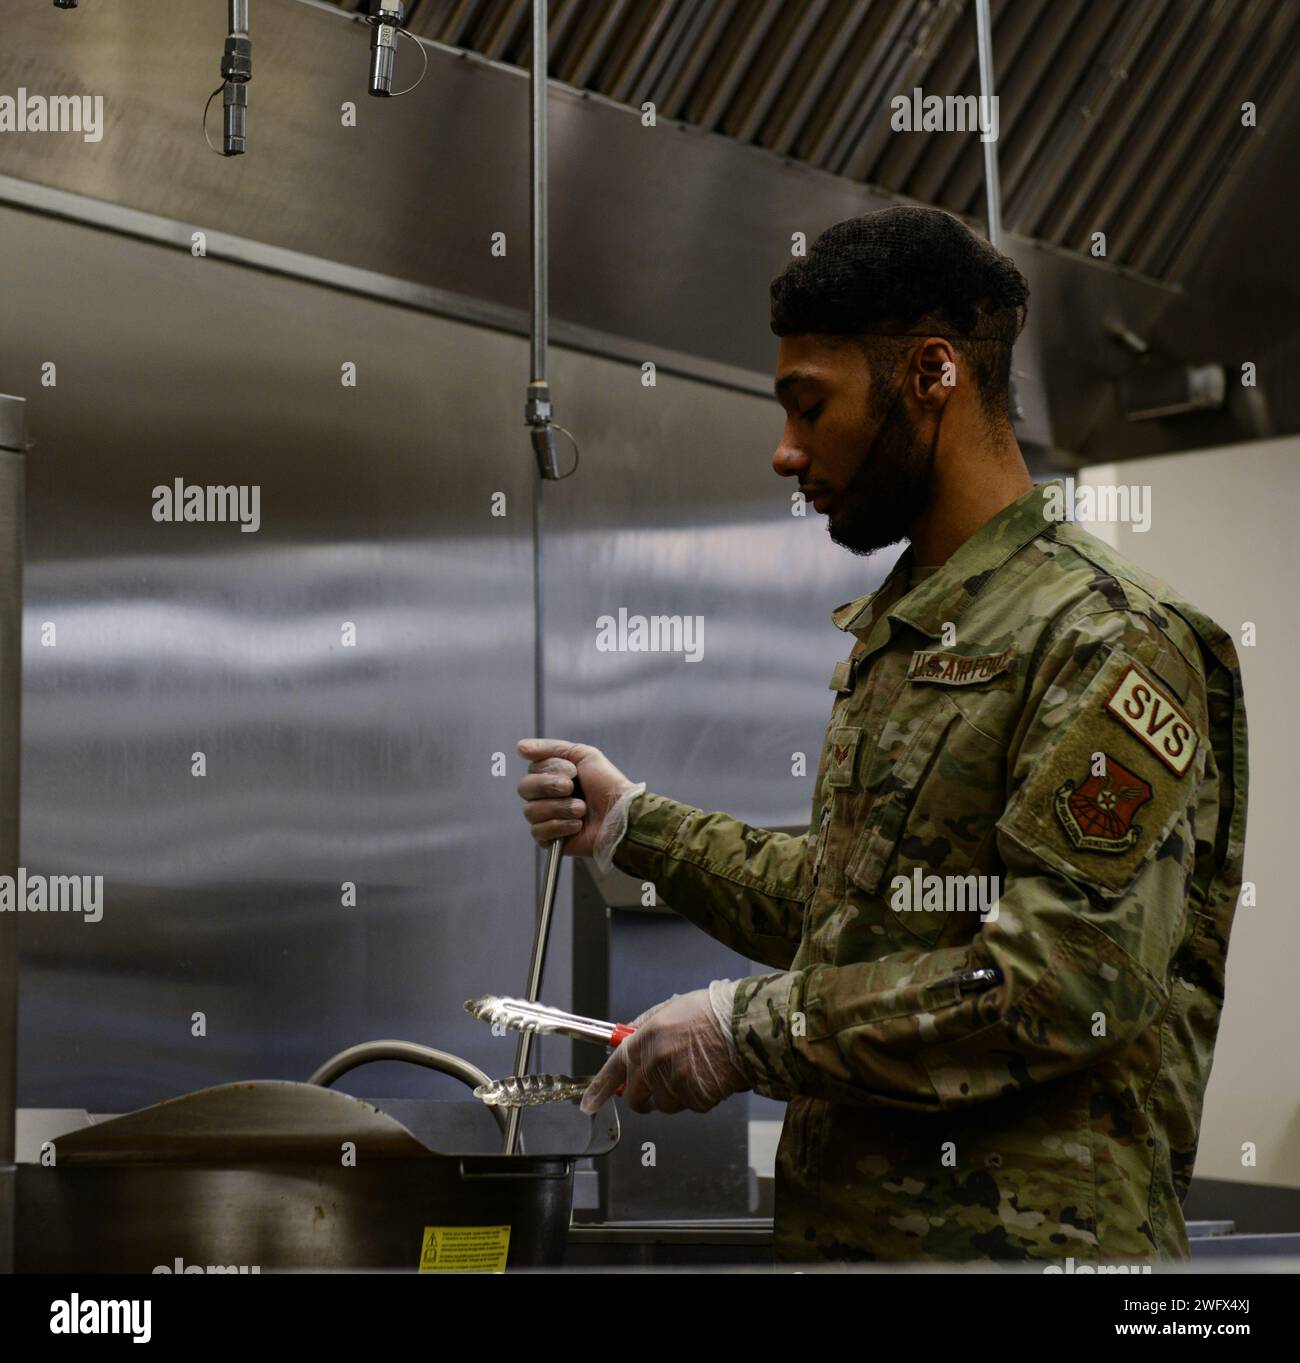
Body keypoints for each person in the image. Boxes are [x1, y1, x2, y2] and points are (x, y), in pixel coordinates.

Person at [515, 206, 1248, 1264]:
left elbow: (1060, 977)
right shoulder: (912, 628)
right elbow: (861, 914)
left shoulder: (1106, 633)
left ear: (932, 375)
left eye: (809, 407)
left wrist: (742, 1028)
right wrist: (634, 826)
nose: (784, 451)